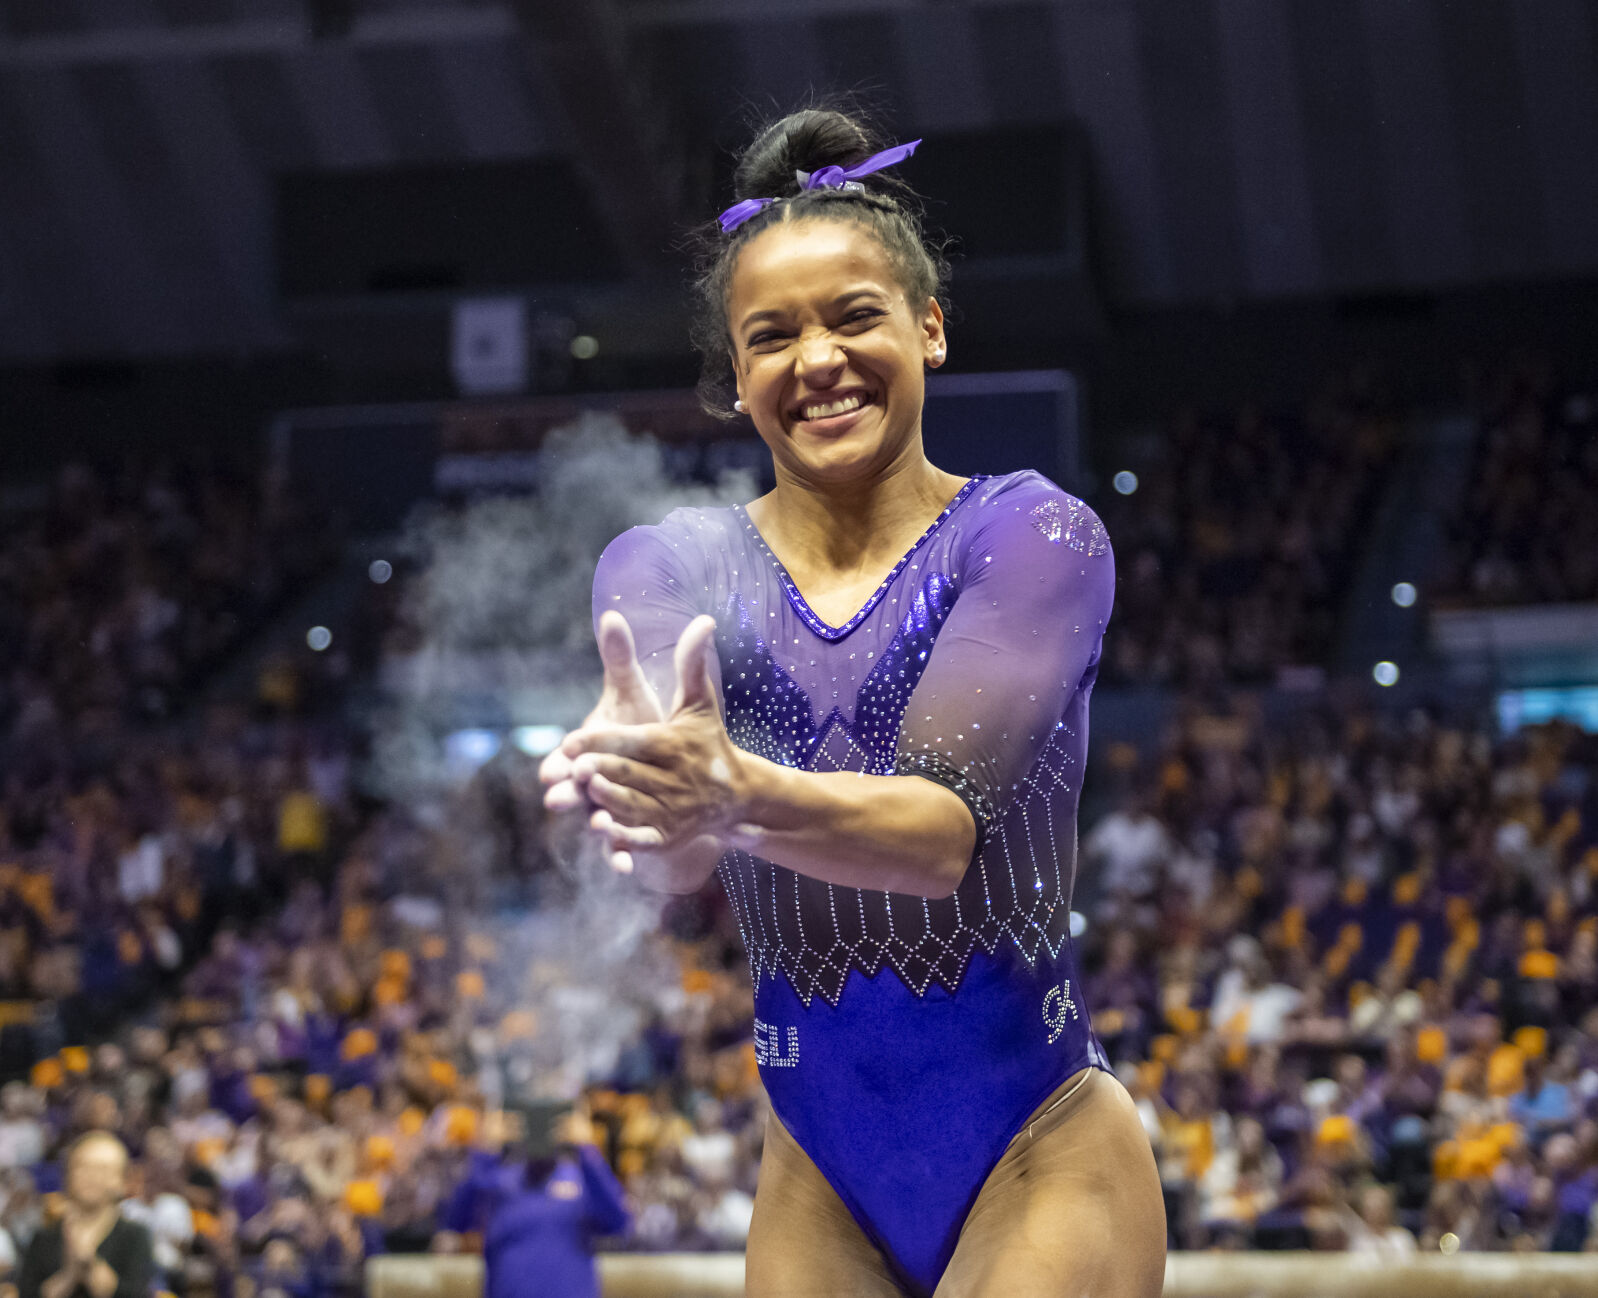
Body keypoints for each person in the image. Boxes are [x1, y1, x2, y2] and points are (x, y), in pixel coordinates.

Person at [542, 105, 1165, 1296]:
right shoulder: (666, 570)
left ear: (928, 328)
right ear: (734, 378)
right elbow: (676, 869)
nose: (814, 359)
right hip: (815, 1173)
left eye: (853, 316)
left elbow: (933, 837)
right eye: (769, 336)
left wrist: (728, 788)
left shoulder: (1029, 533)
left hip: (1039, 1149)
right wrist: (647, 807)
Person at [441, 1106, 629, 1298]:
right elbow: (455, 1223)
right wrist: (485, 1150)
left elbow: (619, 1222)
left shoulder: (581, 1178)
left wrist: (587, 1150)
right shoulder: (497, 1179)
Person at [17, 1132, 153, 1298]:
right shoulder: (43, 1236)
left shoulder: (136, 1236)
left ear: (121, 1180)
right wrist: (69, 1275)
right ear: (68, 1174)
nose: (92, 1176)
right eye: (82, 1166)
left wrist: (89, 1263)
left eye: (103, 1169)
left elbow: (135, 1293)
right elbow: (28, 1292)